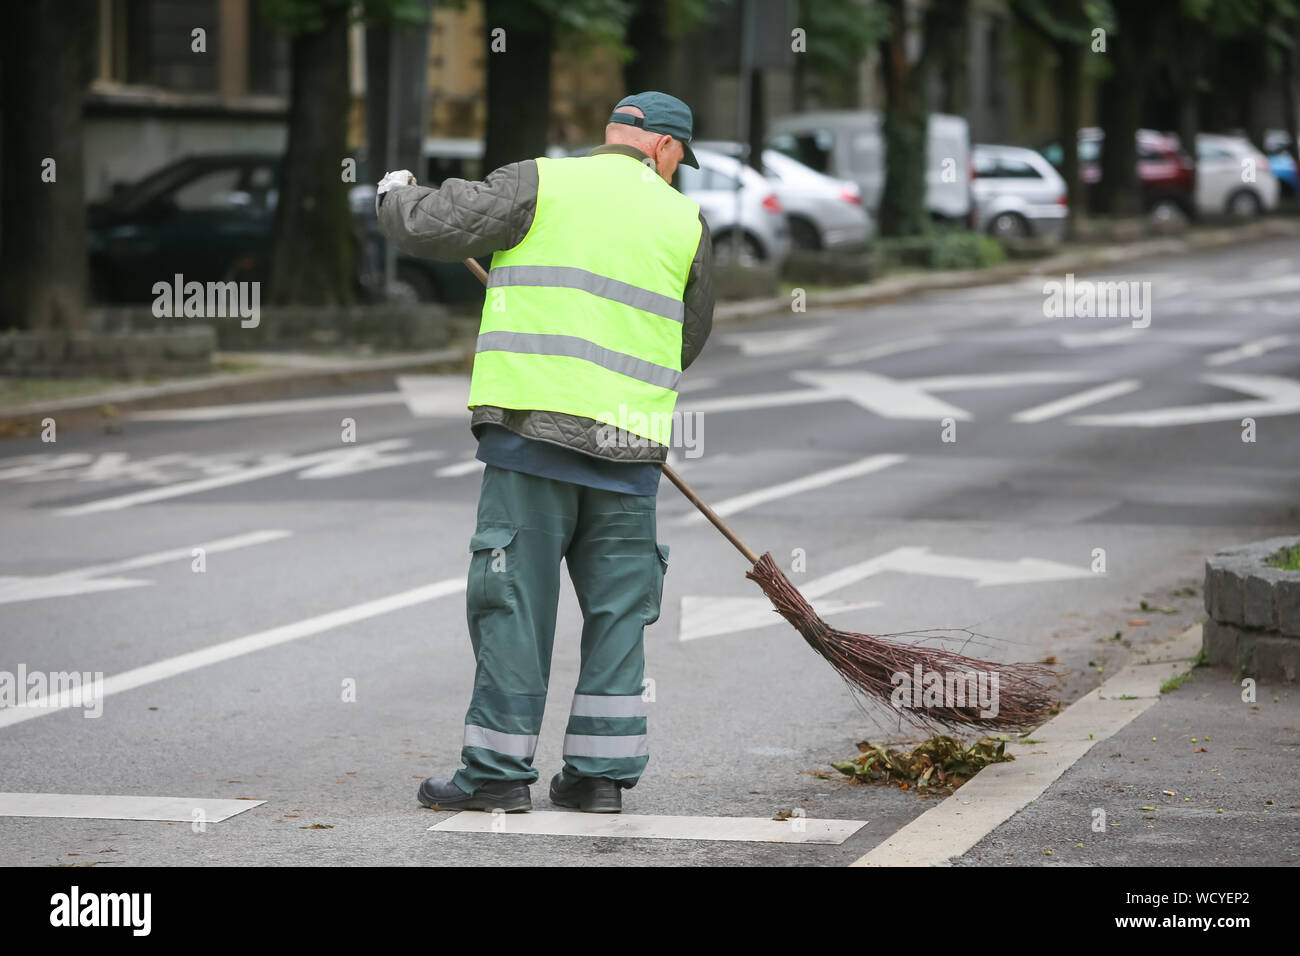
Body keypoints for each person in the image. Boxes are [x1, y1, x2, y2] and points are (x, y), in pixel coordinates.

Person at [376, 92, 715, 814]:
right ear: (662, 147)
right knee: (621, 611)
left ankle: (497, 773)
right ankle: (598, 778)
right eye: (681, 157)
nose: (678, 170)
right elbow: (686, 337)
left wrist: (394, 194)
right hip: (630, 453)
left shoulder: (541, 182)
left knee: (514, 605)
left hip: (533, 440)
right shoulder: (685, 222)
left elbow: (434, 224)